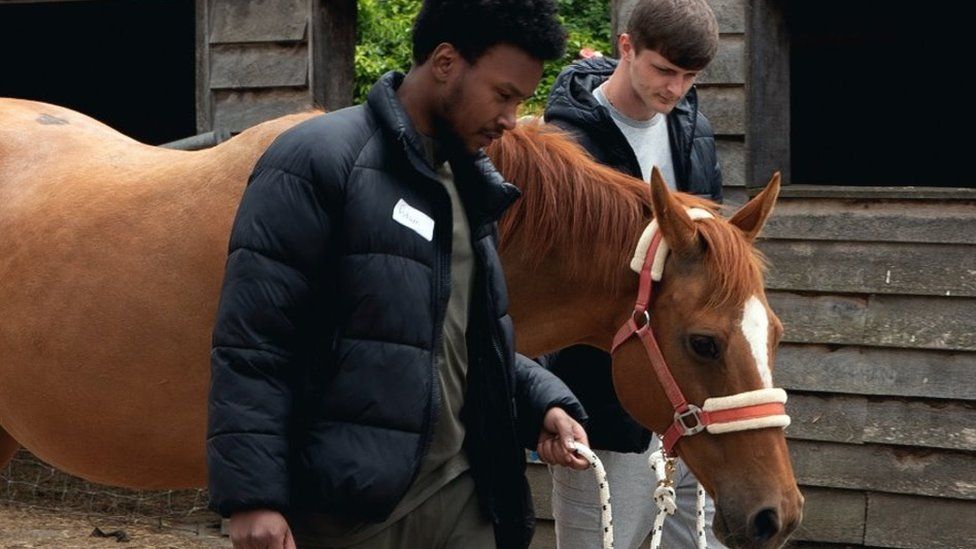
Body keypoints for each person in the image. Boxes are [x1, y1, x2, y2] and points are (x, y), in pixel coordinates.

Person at [206, 2, 591, 548]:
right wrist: (253, 497)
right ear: (444, 62)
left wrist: (542, 403)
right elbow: (254, 343)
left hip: (467, 501)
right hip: (352, 515)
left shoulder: (473, 184)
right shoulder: (314, 161)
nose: (511, 119)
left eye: (520, 102)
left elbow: (464, 336)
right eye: (504, 95)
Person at [541, 0, 725, 547]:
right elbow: (553, 283)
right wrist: (551, 397)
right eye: (664, 70)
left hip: (695, 397)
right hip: (605, 396)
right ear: (626, 47)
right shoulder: (565, 144)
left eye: (689, 76)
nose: (676, 88)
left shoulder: (696, 131)